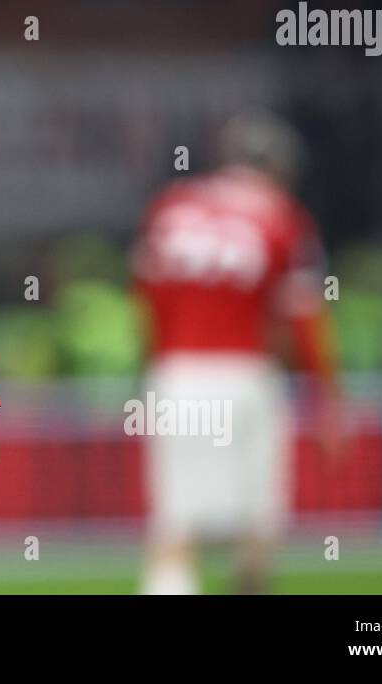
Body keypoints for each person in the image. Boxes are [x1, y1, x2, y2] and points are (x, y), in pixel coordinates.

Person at [130, 110, 342, 594]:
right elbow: (304, 318)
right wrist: (328, 399)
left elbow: (146, 302)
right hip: (248, 376)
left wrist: (153, 374)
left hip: (178, 374)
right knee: (260, 524)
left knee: (175, 528)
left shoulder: (171, 207)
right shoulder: (283, 218)